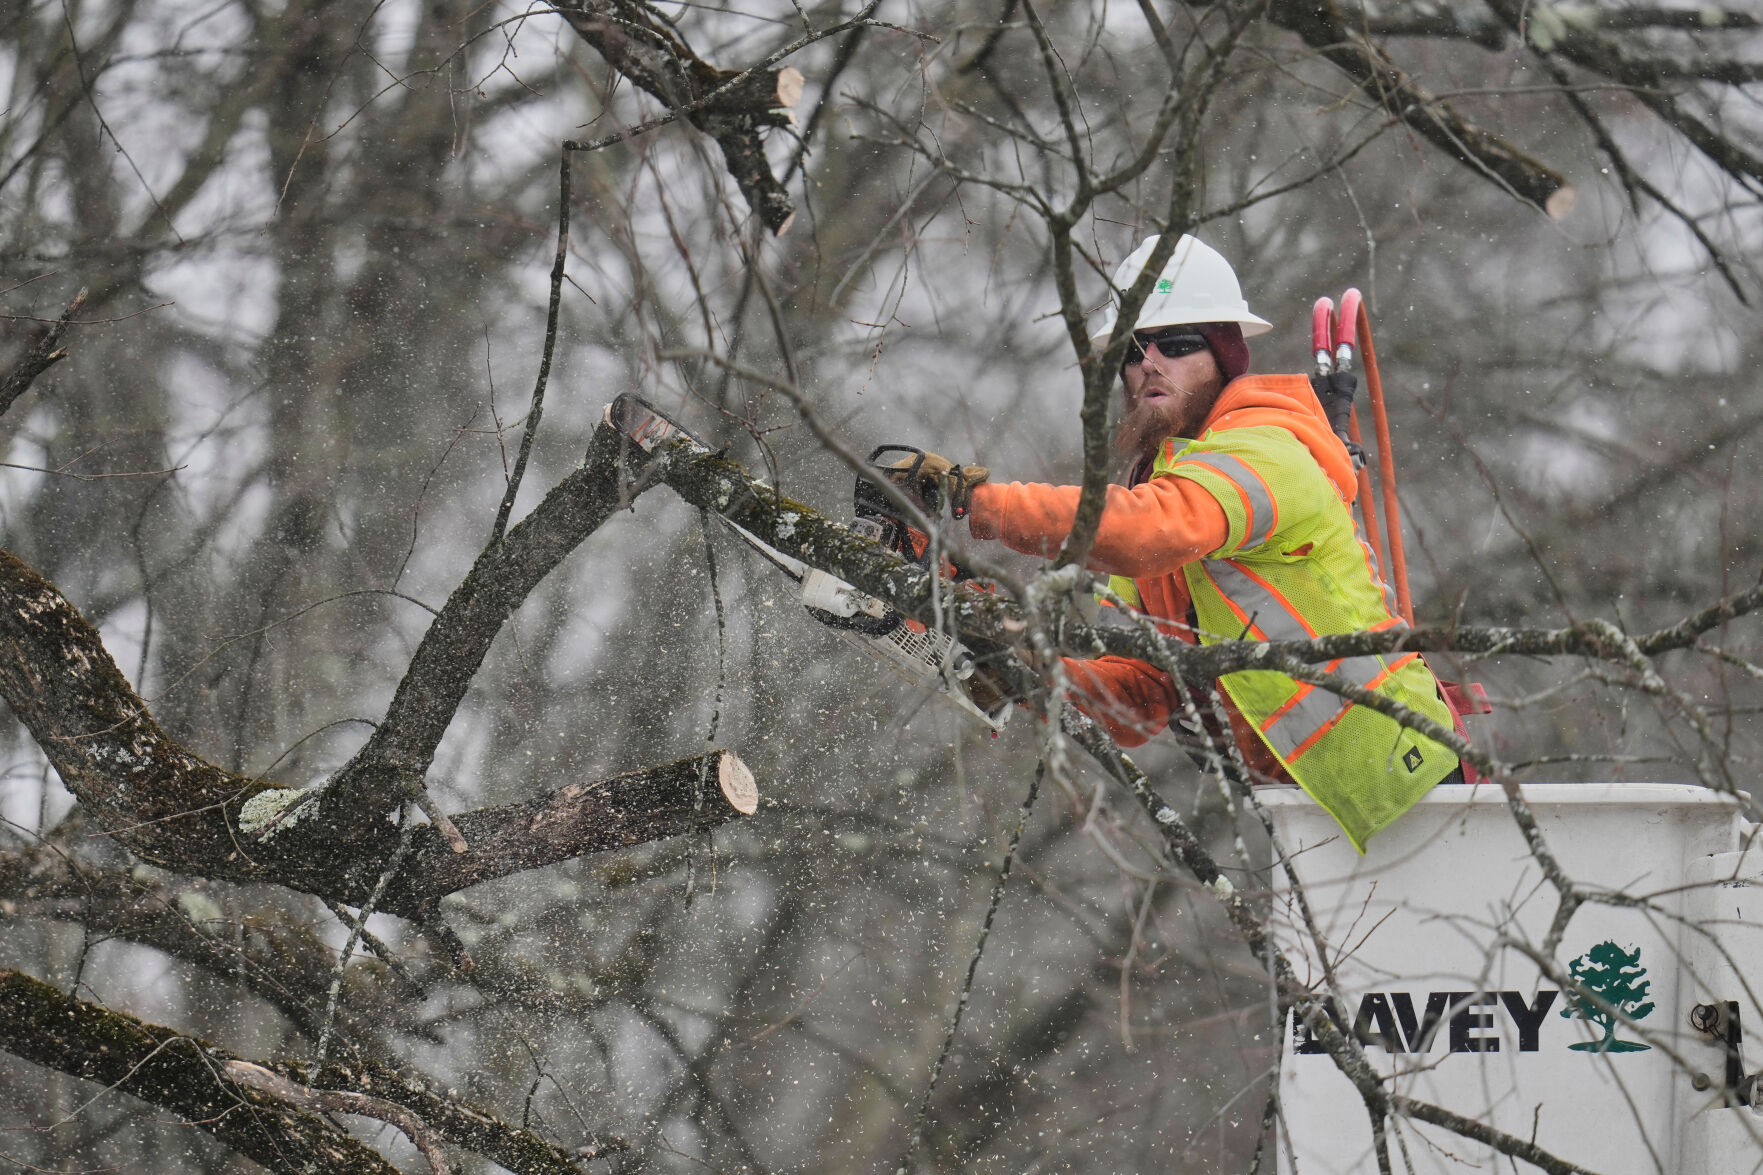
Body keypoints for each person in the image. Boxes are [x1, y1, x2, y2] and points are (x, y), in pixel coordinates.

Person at [901, 235, 1462, 852]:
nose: (1149, 363)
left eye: (1178, 343)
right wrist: (1021, 666)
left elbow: (1153, 530)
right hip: (1310, 807)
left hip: (1406, 780)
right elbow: (1141, 695)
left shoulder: (1269, 448)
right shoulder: (1158, 487)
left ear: (1225, 354)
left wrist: (974, 502)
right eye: (1132, 350)